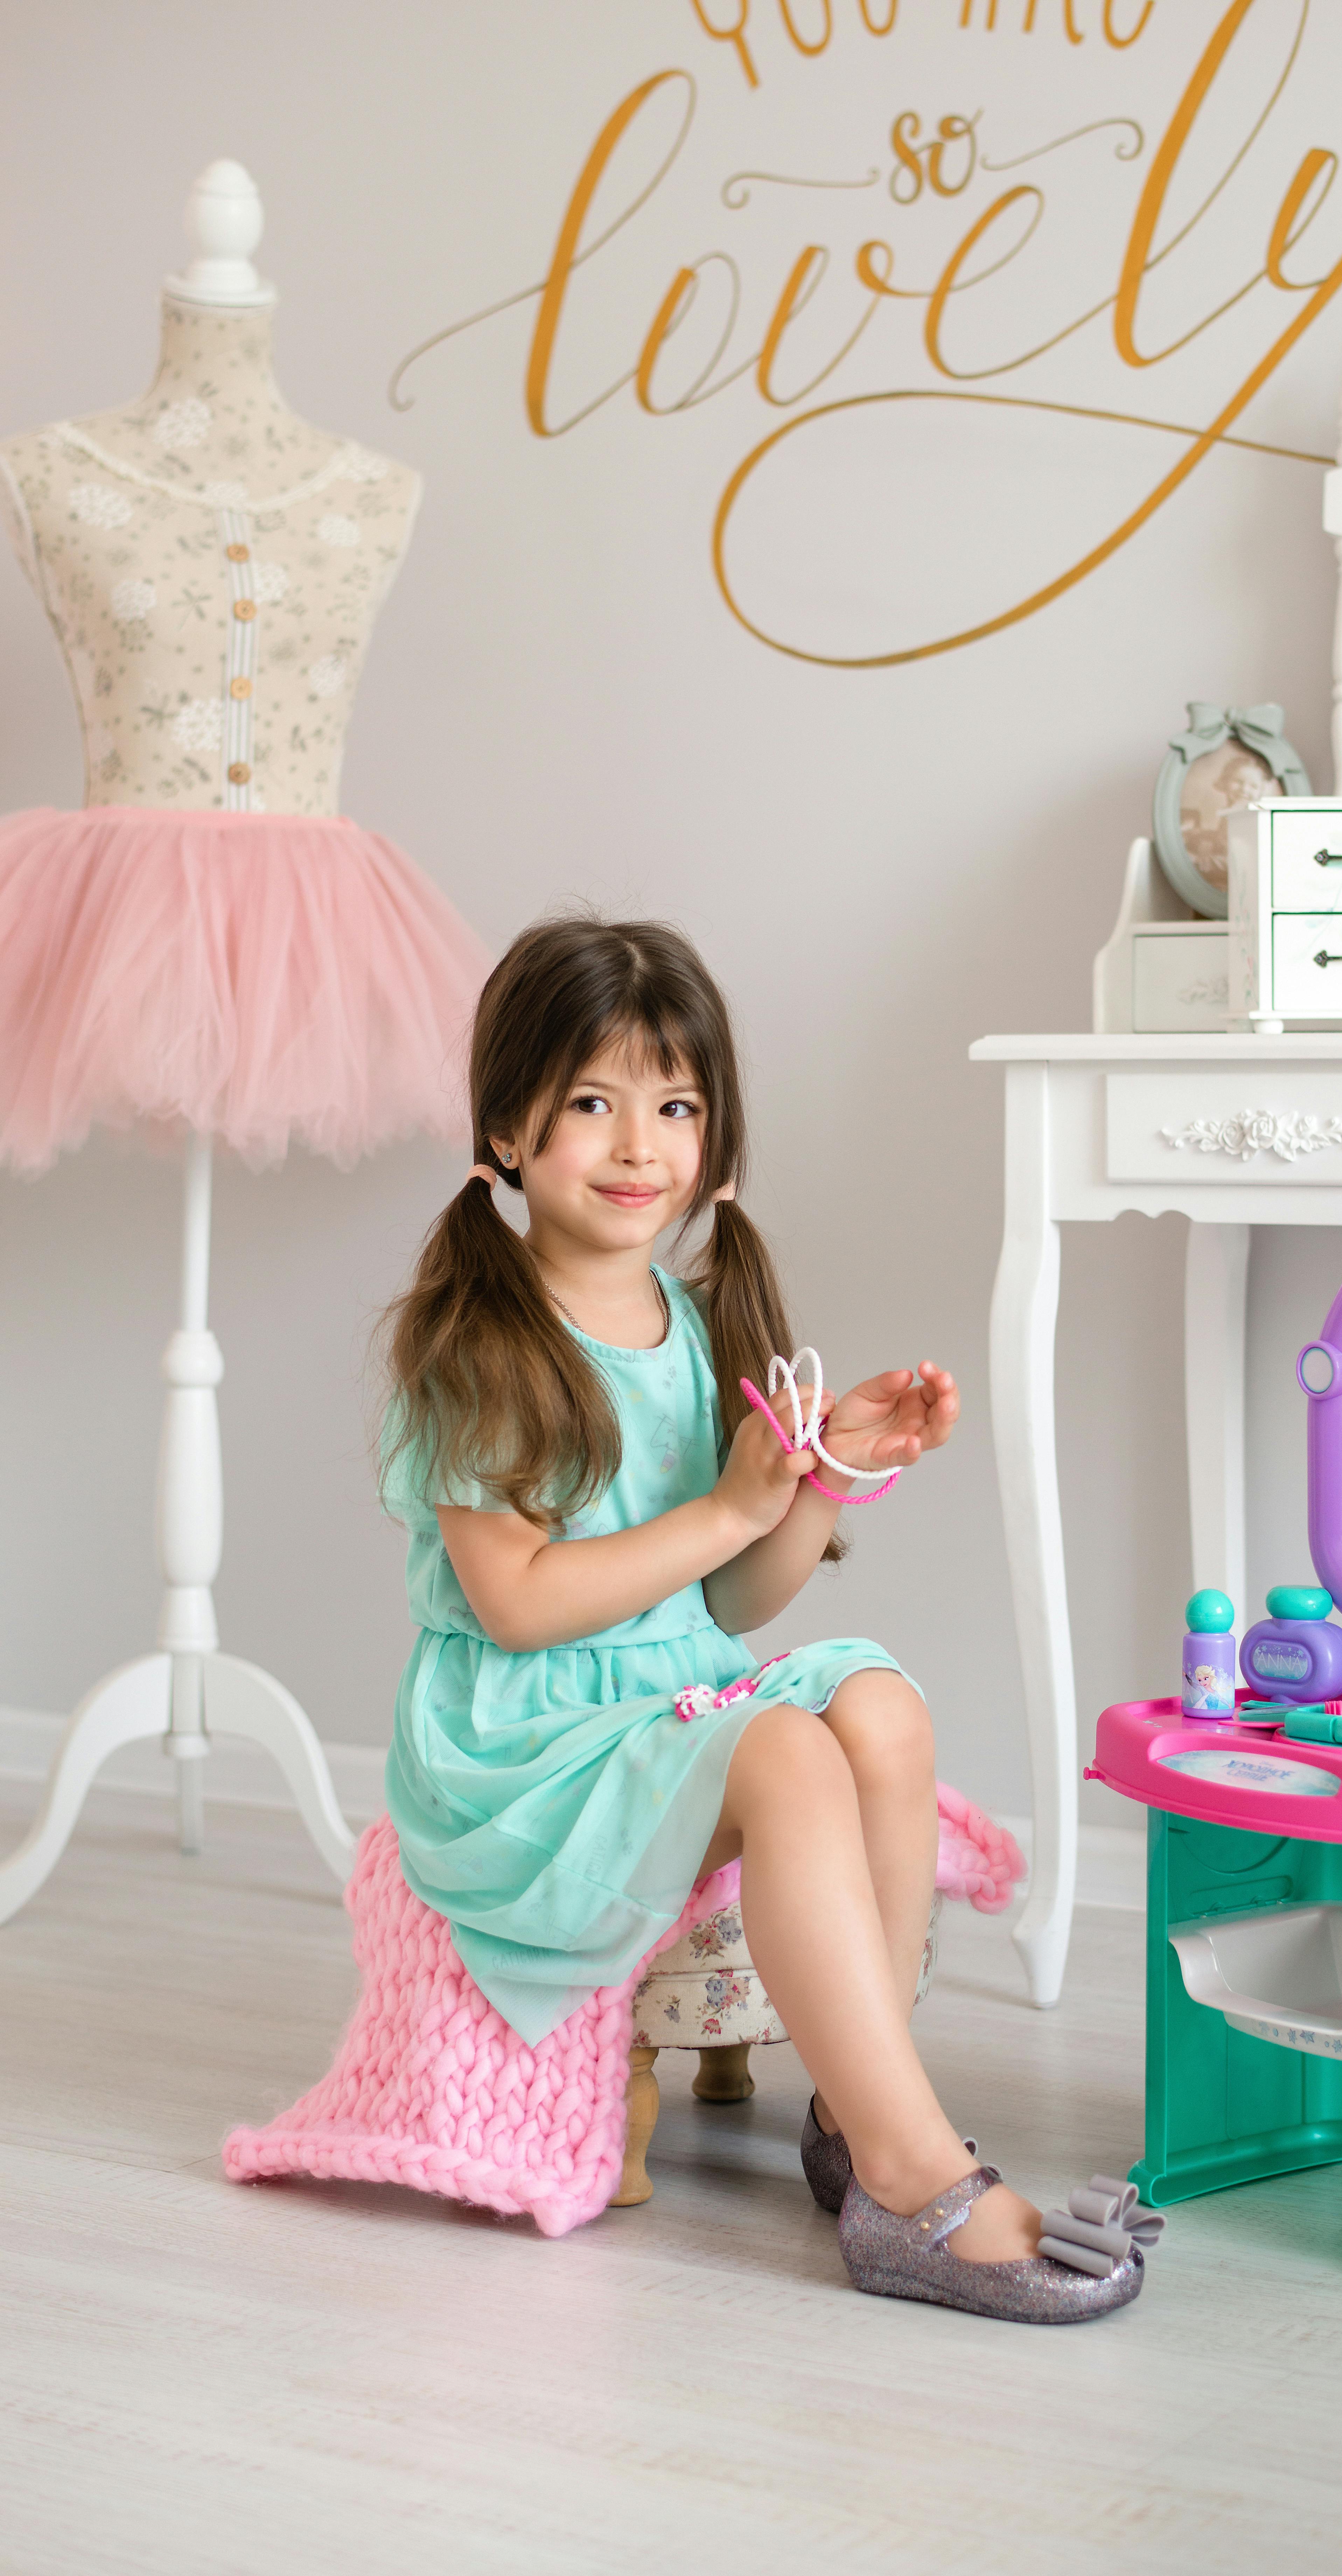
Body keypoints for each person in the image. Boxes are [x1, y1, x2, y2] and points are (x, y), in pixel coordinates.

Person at [376, 915, 1142, 2324]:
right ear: (506, 1127)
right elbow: (522, 1604)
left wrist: (820, 1478)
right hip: (525, 1735)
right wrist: (730, 1507)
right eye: (593, 1103)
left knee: (879, 1703)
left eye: (673, 1105)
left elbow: (727, 1602)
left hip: (658, 1688)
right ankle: (918, 2185)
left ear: (714, 1134)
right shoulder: (478, 1344)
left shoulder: (689, 1312)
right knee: (785, 1753)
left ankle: (867, 2114)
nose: (636, 1145)